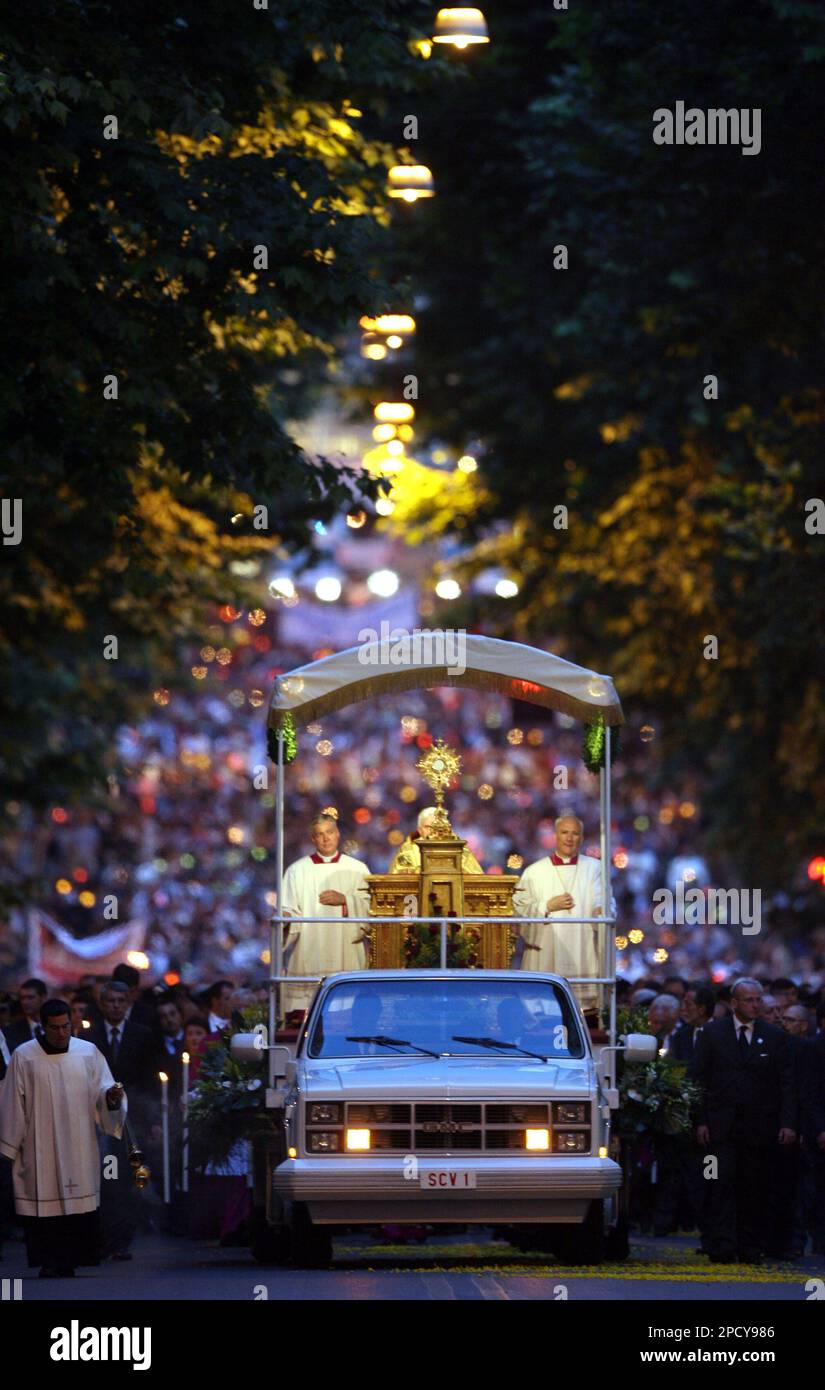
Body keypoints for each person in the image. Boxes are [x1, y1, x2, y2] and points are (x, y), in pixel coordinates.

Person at [0, 998, 125, 1277]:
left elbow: (104, 1089)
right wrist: (9, 1147)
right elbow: (12, 1104)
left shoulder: (88, 1053)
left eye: (65, 1026)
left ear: (72, 1023)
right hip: (38, 1147)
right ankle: (49, 1260)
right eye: (54, 1028)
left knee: (79, 1203)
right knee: (44, 1202)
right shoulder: (25, 1056)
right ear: (43, 1027)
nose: (61, 1033)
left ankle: (74, 1259)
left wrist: (112, 1098)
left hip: (79, 1144)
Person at [693, 977, 796, 1263]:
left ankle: (751, 1246)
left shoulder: (774, 1037)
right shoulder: (712, 1034)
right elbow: (698, 1080)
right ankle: (722, 1245)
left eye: (758, 1000)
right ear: (734, 1003)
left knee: (755, 1187)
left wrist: (788, 1122)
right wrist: (700, 1120)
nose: (755, 1005)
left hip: (759, 1128)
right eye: (749, 1000)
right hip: (719, 1128)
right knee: (718, 1184)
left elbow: (786, 1083)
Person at [516, 815, 615, 1013]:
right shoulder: (534, 872)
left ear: (582, 838)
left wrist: (600, 909)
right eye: (564, 832)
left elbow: (602, 897)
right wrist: (546, 906)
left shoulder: (595, 868)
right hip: (547, 948)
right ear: (555, 836)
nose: (569, 838)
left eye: (575, 833)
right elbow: (519, 910)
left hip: (582, 945)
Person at [88, 981, 155, 1261]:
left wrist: (153, 1119)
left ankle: (122, 1239)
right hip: (98, 1117)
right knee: (104, 1178)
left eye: (120, 1000)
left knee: (126, 1178)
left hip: (133, 1118)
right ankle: (103, 1237)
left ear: (128, 1003)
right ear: (102, 1004)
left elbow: (151, 1079)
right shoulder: (88, 1037)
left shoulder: (143, 1034)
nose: (115, 1005)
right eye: (110, 1001)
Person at [281, 814, 371, 1015]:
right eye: (320, 835)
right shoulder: (297, 871)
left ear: (338, 834)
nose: (326, 838)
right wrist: (287, 918)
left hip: (345, 948)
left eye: (330, 832)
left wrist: (346, 900)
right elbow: (289, 913)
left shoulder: (357, 869)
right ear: (313, 839)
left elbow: (370, 910)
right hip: (309, 950)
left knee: (349, 1012)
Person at [389, 806, 483, 874]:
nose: (432, 831)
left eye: (436, 827)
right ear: (419, 830)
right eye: (427, 827)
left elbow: (477, 879)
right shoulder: (407, 852)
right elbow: (396, 881)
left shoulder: (460, 851)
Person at [3, 978, 48, 1051]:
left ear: (43, 997)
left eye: (30, 997)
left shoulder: (57, 1027)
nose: (25, 1002)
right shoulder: (10, 1031)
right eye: (22, 998)